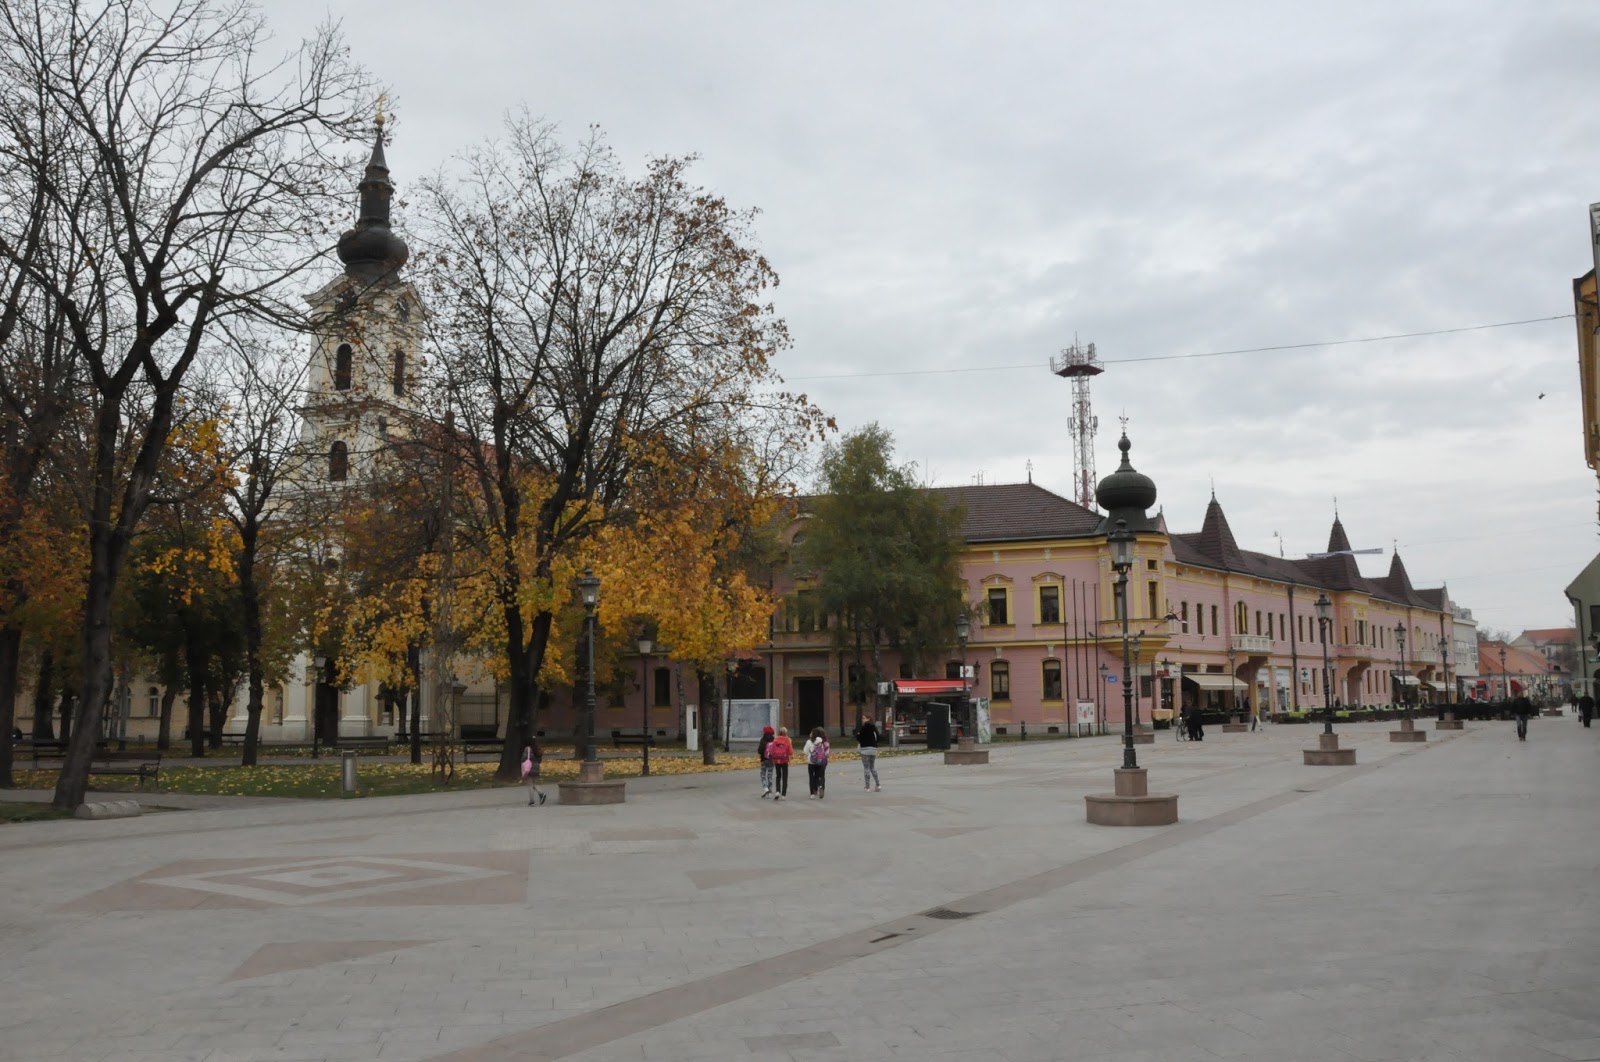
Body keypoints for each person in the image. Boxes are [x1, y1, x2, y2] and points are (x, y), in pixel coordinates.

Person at [854, 715, 881, 791]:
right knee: (872, 767)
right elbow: (878, 738)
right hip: (873, 749)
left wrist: (858, 735)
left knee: (866, 768)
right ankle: (878, 785)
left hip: (865, 749)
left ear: (868, 719)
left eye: (864, 718)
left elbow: (859, 738)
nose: (862, 719)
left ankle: (867, 787)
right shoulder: (873, 728)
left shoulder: (863, 728)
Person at [767, 727, 793, 800]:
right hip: (784, 760)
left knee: (778, 776)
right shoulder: (787, 740)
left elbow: (771, 751)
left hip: (777, 760)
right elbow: (791, 752)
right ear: (786, 733)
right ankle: (783, 794)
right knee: (785, 777)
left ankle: (777, 791)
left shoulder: (775, 740)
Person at [805, 726, 830, 799]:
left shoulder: (810, 741)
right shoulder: (823, 741)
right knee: (821, 775)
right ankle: (821, 787)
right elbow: (827, 751)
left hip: (812, 761)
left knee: (812, 776)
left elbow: (805, 751)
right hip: (822, 760)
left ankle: (813, 791)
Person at [521, 741, 546, 806]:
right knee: (534, 783)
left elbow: (524, 758)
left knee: (530, 784)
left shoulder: (527, 749)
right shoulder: (538, 749)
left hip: (529, 768)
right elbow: (539, 760)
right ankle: (541, 793)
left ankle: (532, 800)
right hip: (536, 768)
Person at [757, 725, 776, 797]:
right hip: (772, 760)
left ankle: (765, 788)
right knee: (770, 775)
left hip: (764, 760)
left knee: (763, 774)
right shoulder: (774, 740)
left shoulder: (763, 740)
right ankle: (770, 790)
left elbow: (760, 750)